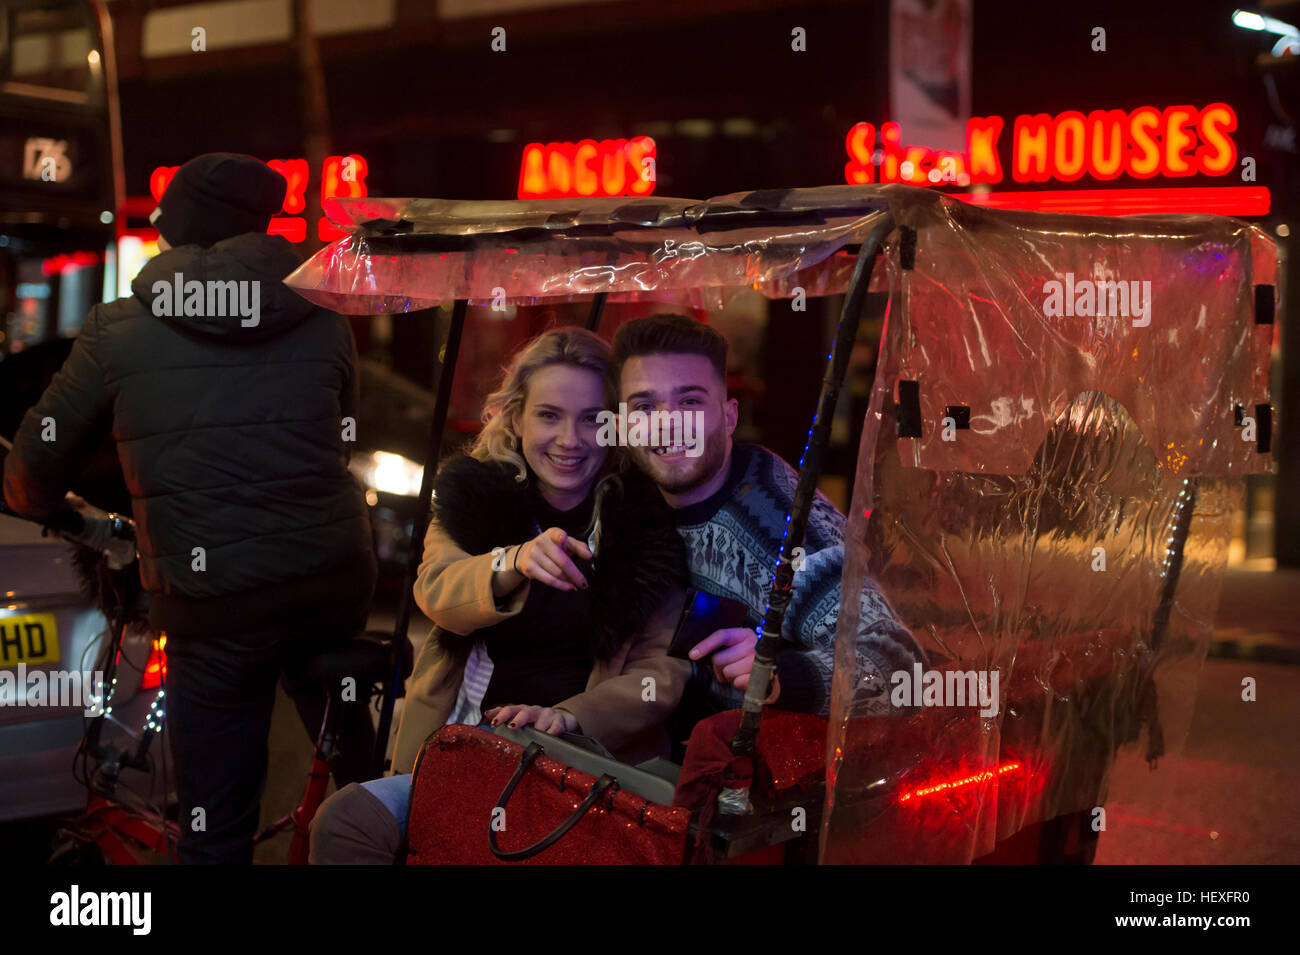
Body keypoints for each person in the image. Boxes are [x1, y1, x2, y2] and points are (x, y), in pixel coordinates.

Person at [2, 153, 378, 864]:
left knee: (215, 831)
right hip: (335, 584)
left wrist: (38, 498)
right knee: (368, 789)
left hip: (215, 606)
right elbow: (340, 439)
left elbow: (34, 467)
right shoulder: (325, 317)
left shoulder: (118, 327)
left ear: (179, 230)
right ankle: (379, 804)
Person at [309, 327, 689, 864]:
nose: (569, 439)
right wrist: (511, 562)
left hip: (581, 776)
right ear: (515, 418)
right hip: (468, 750)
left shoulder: (645, 525)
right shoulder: (475, 499)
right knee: (347, 820)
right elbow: (437, 592)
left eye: (591, 419)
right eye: (549, 415)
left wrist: (571, 717)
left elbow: (660, 674)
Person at [610, 314, 923, 719]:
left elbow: (905, 674)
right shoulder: (626, 495)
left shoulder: (782, 529)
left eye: (689, 401)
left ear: (729, 416)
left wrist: (777, 675)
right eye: (645, 406)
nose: (669, 423)